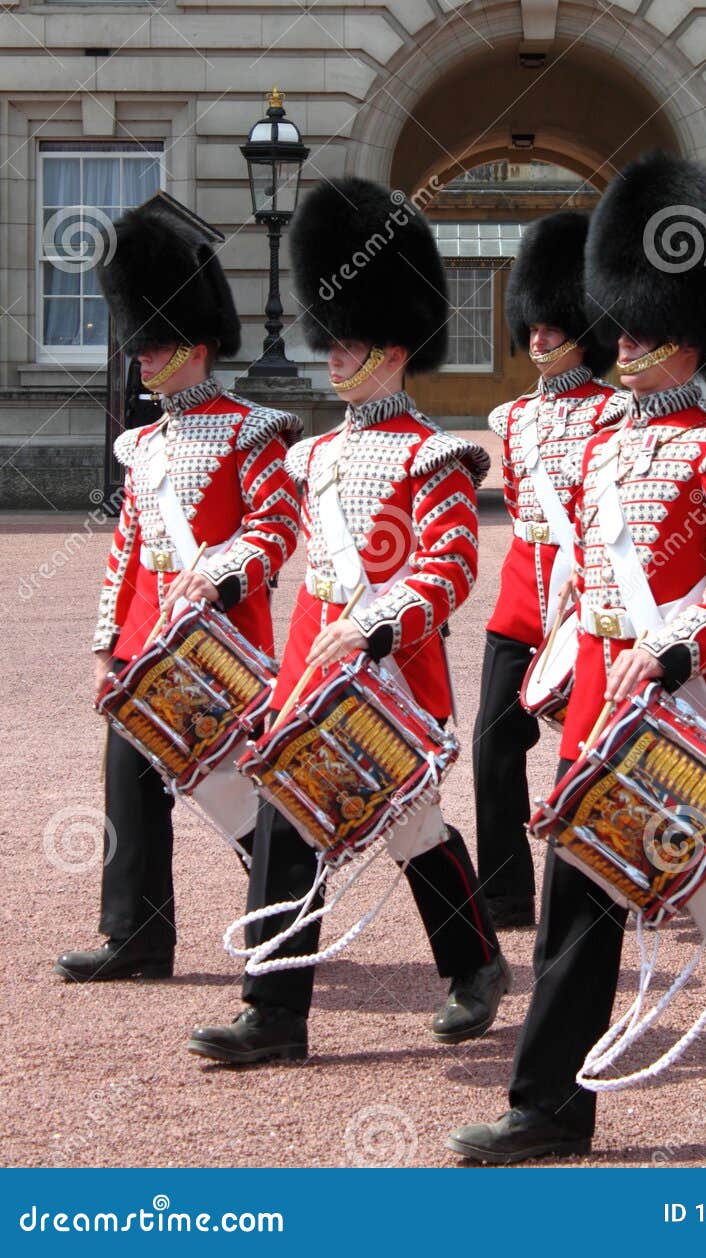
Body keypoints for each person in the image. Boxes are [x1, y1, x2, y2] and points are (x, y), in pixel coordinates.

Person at [448, 152, 706, 1165]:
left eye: (643, 323)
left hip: (690, 713)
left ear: (689, 335)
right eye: (618, 319)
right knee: (573, 903)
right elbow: (579, 587)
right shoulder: (591, 450)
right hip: (598, 707)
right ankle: (548, 1109)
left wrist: (670, 649)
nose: (621, 338)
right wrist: (556, 676)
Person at [189, 178, 509, 1066]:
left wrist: (376, 628)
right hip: (311, 667)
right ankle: (276, 1014)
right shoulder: (314, 453)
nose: (334, 358)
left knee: (412, 827)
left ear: (395, 349)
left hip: (391, 668)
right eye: (332, 341)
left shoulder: (435, 454)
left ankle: (476, 962)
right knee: (288, 825)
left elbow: (448, 568)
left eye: (353, 344)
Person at [56, 201, 302, 984]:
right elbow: (126, 553)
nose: (141, 358)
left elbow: (275, 528)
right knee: (130, 794)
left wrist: (222, 570)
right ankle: (135, 935)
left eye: (153, 345)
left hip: (218, 645)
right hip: (142, 646)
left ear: (195, 349)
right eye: (138, 344)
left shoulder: (251, 429)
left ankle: (287, 922)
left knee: (232, 790)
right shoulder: (146, 444)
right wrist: (104, 647)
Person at [475, 211, 619, 927]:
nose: (537, 337)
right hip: (519, 596)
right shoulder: (510, 418)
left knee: (593, 742)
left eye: (552, 325)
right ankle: (502, 890)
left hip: (586, 592)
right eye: (531, 325)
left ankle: (606, 873)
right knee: (493, 741)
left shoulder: (617, 414)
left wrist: (587, 581)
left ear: (582, 326)